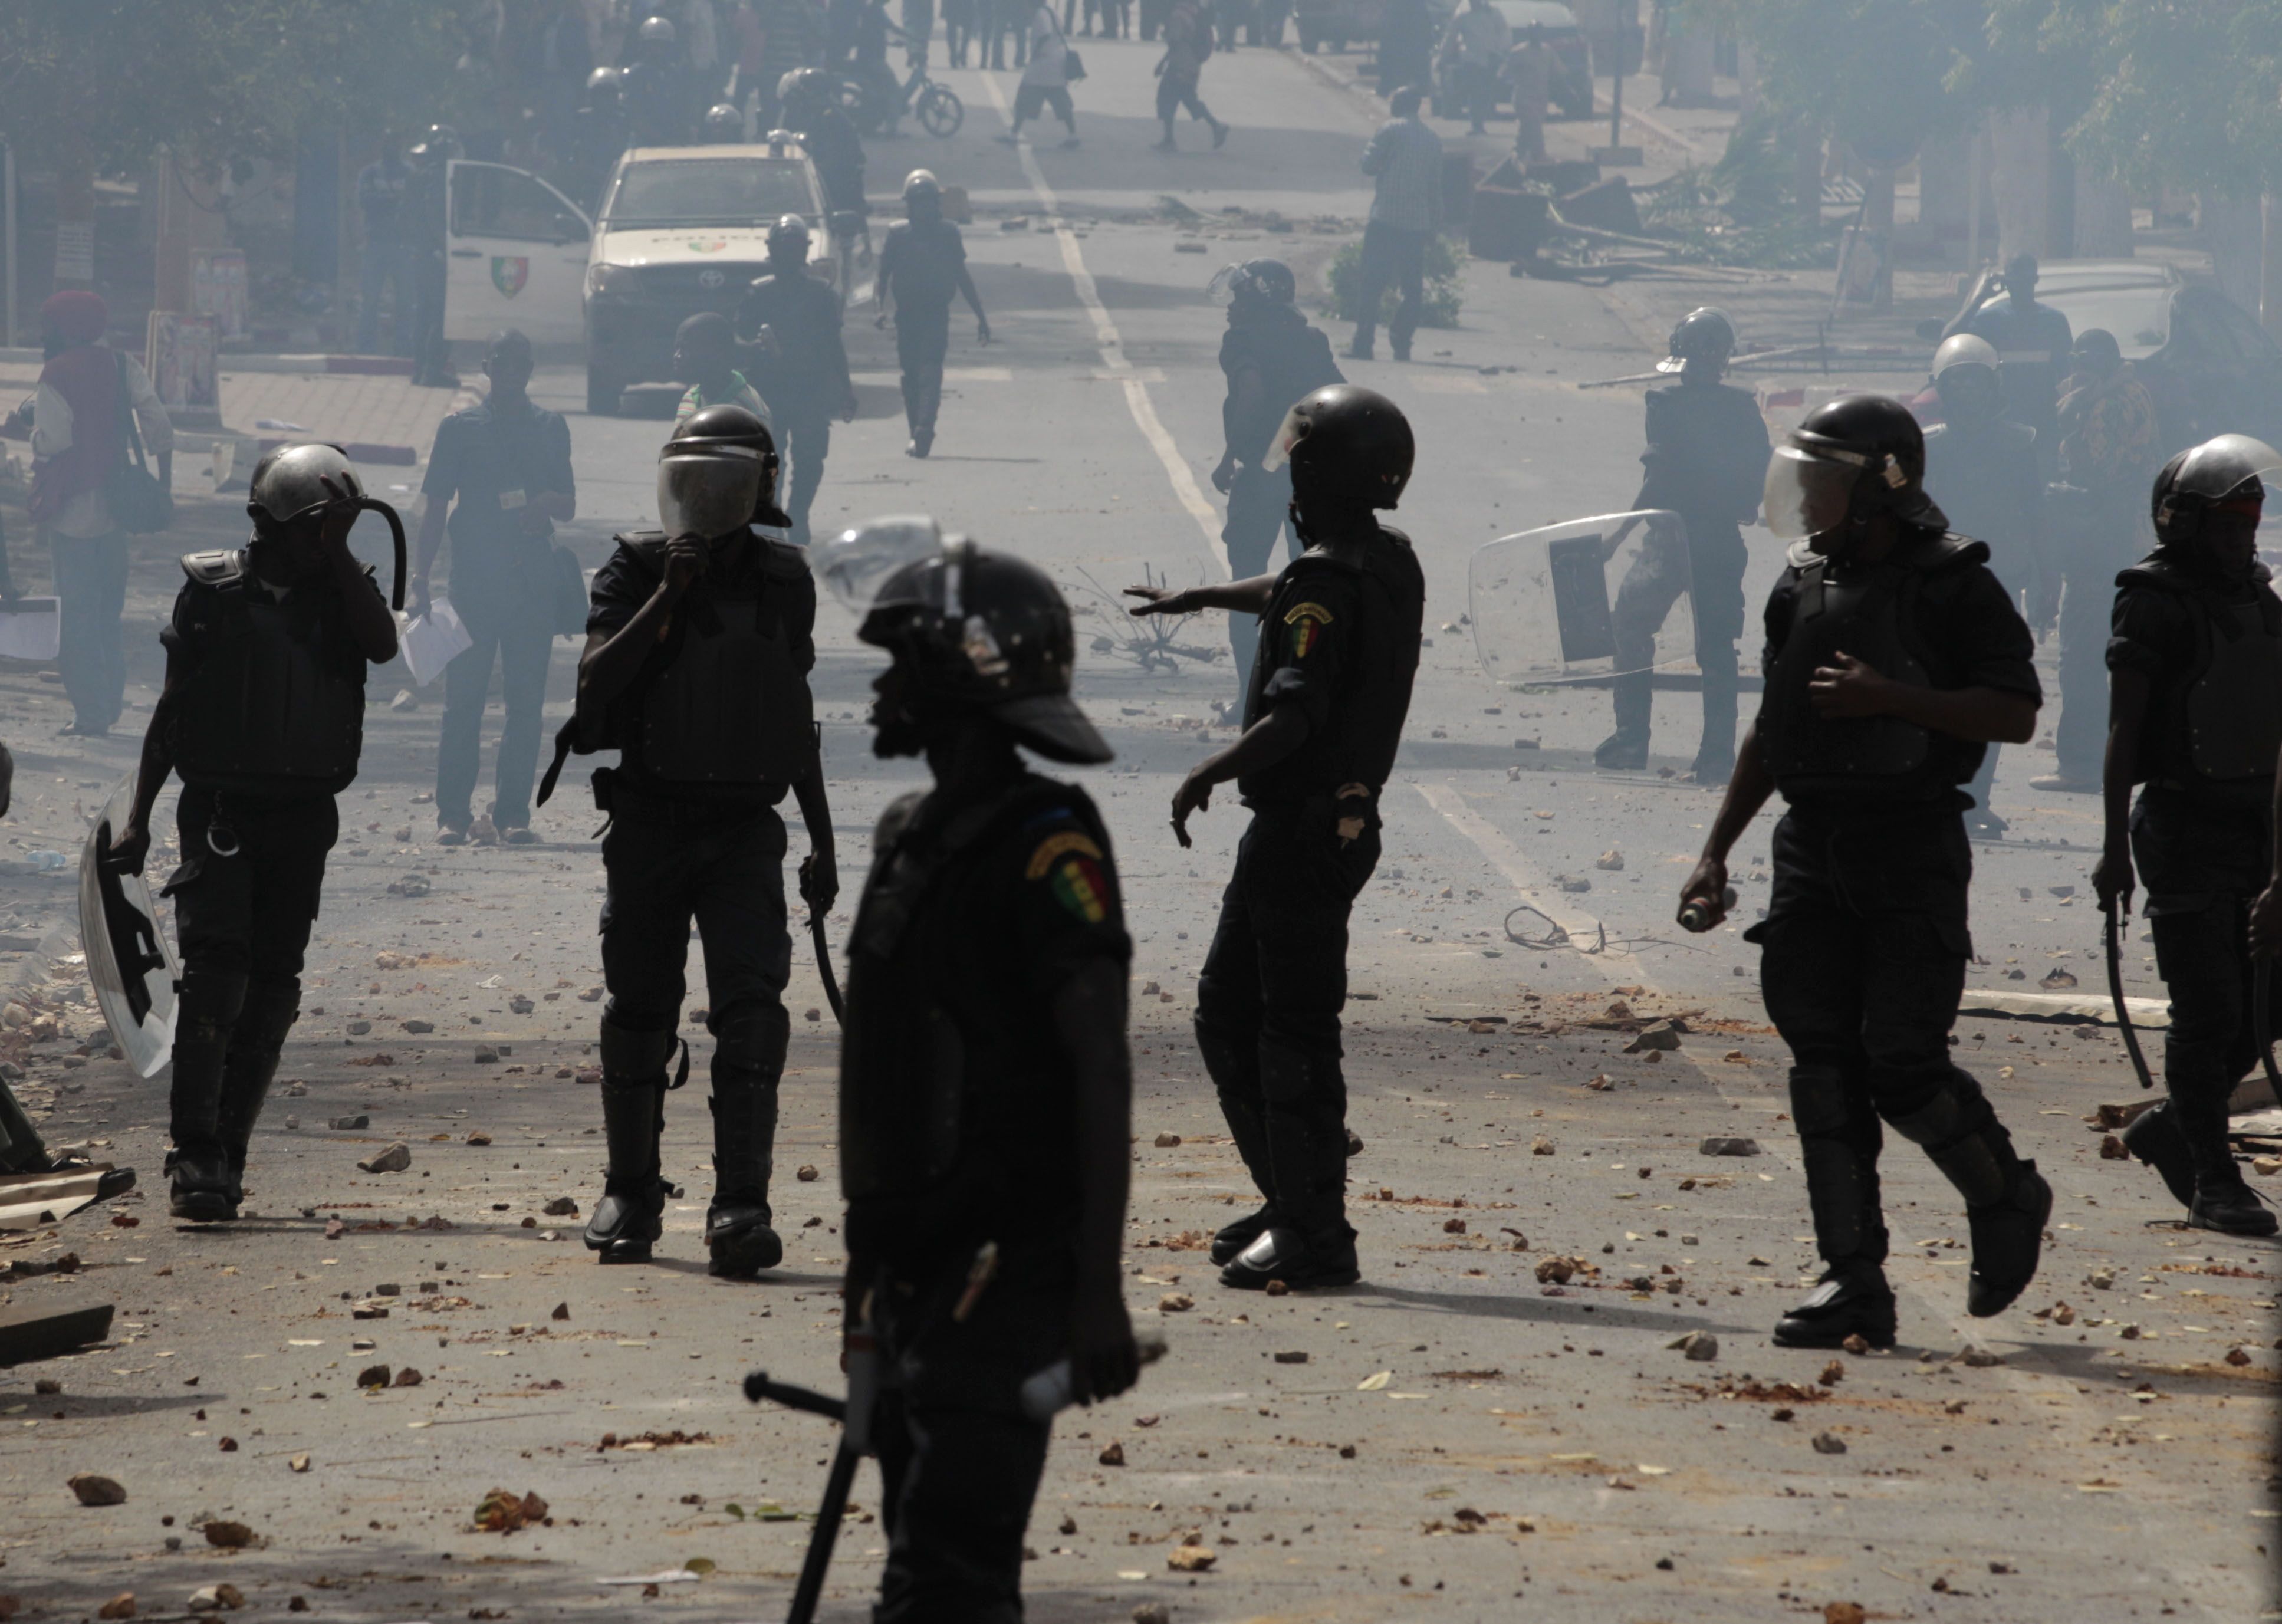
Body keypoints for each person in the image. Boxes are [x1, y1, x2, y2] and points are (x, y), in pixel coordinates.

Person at [1678, 394, 2053, 1349]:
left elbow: (2013, 710)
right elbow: (1774, 728)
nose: (1804, 498)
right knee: (1823, 1065)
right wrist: (1716, 850)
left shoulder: (1956, 584)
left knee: (1902, 1062)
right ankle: (1852, 1278)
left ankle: (2006, 1192)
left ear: (1882, 485)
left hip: (1911, 845)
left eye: (1824, 481)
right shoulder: (1799, 583)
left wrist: (1896, 696)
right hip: (1811, 847)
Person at [827, 522, 1138, 1620]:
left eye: (901, 662)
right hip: (917, 1261)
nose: (878, 688)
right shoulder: (912, 831)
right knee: (923, 1554)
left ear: (962, 679)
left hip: (1006, 1269)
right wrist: (871, 1279)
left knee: (944, 1586)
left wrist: (1095, 1287)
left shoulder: (1049, 838)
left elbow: (1100, 1065)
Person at [1128, 386, 1424, 1291]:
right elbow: (1296, 591)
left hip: (1298, 831)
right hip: (1334, 823)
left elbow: (1293, 714)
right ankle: (1291, 1197)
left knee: (1282, 1027)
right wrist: (1202, 595)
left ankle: (1315, 1225)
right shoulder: (1383, 560)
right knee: (1233, 1010)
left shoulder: (1329, 583)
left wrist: (1204, 771)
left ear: (1309, 471)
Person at [573, 406, 834, 1275]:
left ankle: (740, 1203)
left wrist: (822, 839)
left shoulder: (782, 579)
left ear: (757, 489)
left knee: (752, 1015)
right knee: (639, 1009)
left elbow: (793, 716)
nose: (705, 502)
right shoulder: (635, 564)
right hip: (651, 821)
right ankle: (630, 1190)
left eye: (722, 484)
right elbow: (593, 686)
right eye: (692, 483)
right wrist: (667, 597)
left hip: (743, 831)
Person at [110, 445, 401, 1221]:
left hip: (303, 814)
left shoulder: (343, 592)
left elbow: (382, 645)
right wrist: (138, 817)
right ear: (264, 525)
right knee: (215, 976)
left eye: (335, 529)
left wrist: (340, 559)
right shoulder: (213, 594)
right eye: (312, 530)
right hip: (220, 812)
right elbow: (173, 711)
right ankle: (194, 1151)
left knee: (272, 987)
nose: (322, 543)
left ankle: (229, 1156)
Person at [2108, 436, 2282, 1237]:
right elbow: (2124, 730)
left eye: (2250, 518)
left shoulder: (2259, 598)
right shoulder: (2152, 600)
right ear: (2182, 523)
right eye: (2224, 521)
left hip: (2255, 825)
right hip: (2180, 824)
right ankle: (2213, 1178)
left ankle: (2177, 1125)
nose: (2241, 535)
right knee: (2205, 1007)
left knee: (2264, 1003)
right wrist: (2113, 848)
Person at [410, 331, 578, 847]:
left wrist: (543, 502)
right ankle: (453, 815)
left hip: (532, 587)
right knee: (463, 704)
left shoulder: (551, 427)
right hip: (474, 586)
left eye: (519, 365)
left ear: (529, 370)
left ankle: (512, 815)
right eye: (501, 364)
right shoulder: (460, 429)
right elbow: (435, 504)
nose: (510, 372)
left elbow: (569, 504)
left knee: (525, 706)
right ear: (486, 367)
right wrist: (420, 578)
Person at [1595, 307, 1770, 784]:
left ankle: (1631, 740)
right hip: (1721, 541)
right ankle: (1716, 757)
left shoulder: (1666, 404)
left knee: (1630, 626)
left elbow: (1660, 477)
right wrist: (1745, 504)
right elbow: (1763, 472)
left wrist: (1619, 535)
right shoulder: (1743, 407)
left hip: (1671, 539)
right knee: (1717, 646)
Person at [19, 291, 173, 738]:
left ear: (66, 330)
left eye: (49, 326)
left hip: (71, 511)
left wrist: (28, 432)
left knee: (75, 615)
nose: (44, 335)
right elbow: (158, 423)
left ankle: (90, 714)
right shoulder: (122, 365)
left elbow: (52, 443)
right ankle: (108, 704)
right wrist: (162, 485)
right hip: (115, 509)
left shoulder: (56, 373)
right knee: (108, 612)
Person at [1922, 332, 2048, 836]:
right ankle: (1940, 790)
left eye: (1978, 382)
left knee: (1994, 688)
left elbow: (2038, 514)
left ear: (1993, 386)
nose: (1970, 393)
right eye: (1960, 383)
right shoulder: (1928, 447)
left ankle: (1975, 796)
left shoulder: (2022, 442)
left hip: (2003, 578)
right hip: (1942, 580)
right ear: (1944, 390)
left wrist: (2047, 577)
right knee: (1937, 684)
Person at [1208, 259, 1345, 705]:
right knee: (1310, 588)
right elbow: (1336, 398)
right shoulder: (1311, 339)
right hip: (1312, 477)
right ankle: (1305, 689)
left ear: (1259, 298)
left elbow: (1250, 392)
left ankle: (1250, 698)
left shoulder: (1243, 340)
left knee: (1246, 584)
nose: (1231, 306)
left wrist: (1234, 455)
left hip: (1266, 479)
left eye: (1240, 296)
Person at [2037, 327, 2164, 794]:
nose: (2080, 369)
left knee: (2082, 654)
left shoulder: (2108, 403)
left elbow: (2098, 469)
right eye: (2077, 360)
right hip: (2123, 539)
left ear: (2108, 363)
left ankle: (2081, 762)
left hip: (2100, 542)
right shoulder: (2131, 392)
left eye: (2089, 361)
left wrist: (2071, 419)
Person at [736, 216, 859, 545]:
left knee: (810, 458)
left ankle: (799, 513)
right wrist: (756, 345)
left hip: (810, 389)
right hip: (769, 391)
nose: (788, 255)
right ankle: (774, 513)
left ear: (803, 252)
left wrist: (846, 389)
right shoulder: (758, 293)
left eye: (794, 248)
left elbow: (834, 345)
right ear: (773, 252)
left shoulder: (821, 295)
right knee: (770, 460)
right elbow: (740, 339)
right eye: (783, 248)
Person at [876, 170, 989, 459]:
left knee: (930, 370)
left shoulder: (948, 234)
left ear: (937, 205)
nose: (925, 209)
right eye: (919, 203)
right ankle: (916, 430)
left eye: (929, 203)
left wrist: (981, 316)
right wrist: (880, 309)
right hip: (907, 315)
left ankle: (925, 429)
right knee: (911, 375)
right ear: (909, 206)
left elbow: (961, 275)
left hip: (936, 314)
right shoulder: (898, 235)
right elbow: (882, 276)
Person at [1942, 251, 2073, 476]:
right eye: (2014, 278)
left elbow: (2066, 372)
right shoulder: (1990, 319)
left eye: (2025, 279)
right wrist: (1981, 297)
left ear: (2035, 280)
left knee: (2042, 477)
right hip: (2001, 415)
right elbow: (1949, 338)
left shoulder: (2054, 320)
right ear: (2005, 281)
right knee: (2004, 476)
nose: (2020, 285)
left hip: (2043, 416)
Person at [1350, 86, 1442, 363]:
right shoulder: (1432, 139)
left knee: (1372, 282)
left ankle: (1363, 344)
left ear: (1399, 104)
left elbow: (1367, 165)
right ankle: (1402, 339)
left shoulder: (1389, 130)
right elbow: (1435, 186)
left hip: (1386, 218)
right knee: (1412, 287)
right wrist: (1435, 225)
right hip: (1416, 223)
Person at [402, 125, 460, 388]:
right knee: (440, 315)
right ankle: (432, 371)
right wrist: (445, 248)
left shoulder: (418, 177)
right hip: (435, 256)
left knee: (424, 314)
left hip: (418, 254)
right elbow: (437, 218)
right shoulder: (440, 179)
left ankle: (420, 370)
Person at [353, 135, 415, 356]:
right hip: (376, 243)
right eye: (387, 142)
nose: (391, 147)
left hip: (403, 244)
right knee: (370, 299)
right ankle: (366, 347)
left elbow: (414, 204)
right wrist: (395, 201)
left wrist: (385, 200)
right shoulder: (369, 173)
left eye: (395, 142)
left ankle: (403, 347)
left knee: (406, 299)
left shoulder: (410, 173)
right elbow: (365, 201)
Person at [779, 68, 868, 219]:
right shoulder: (819, 114)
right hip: (834, 179)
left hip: (838, 187)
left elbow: (832, 160)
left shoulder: (830, 118)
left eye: (807, 92)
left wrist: (809, 174)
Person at [672, 311, 771, 430]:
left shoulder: (747, 410)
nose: (677, 356)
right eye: (677, 348)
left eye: (686, 348)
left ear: (717, 353)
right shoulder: (689, 399)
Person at [1153, 0, 1228, 150]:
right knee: (1186, 99)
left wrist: (1162, 64)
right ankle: (1215, 126)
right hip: (1191, 65)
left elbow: (1175, 41)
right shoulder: (1192, 12)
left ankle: (1215, 126)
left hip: (1180, 65)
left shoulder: (1177, 15)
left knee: (1167, 98)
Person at [1005, 0, 1080, 146]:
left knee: (1024, 96)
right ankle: (1073, 134)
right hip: (1055, 63)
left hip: (1044, 63)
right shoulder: (1051, 11)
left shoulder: (1041, 14)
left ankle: (1014, 133)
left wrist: (1035, 53)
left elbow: (1045, 34)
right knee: (1060, 99)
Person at [1436, 0, 1510, 136]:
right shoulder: (1463, 17)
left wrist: (1500, 51)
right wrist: (1442, 58)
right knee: (1475, 92)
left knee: (1485, 92)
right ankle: (1477, 124)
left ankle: (1481, 120)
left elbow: (1505, 33)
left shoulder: (1494, 15)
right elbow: (1451, 38)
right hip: (1472, 61)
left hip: (1490, 59)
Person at [623, 14, 698, 146]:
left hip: (673, 138)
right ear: (644, 46)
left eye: (663, 45)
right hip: (644, 141)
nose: (659, 50)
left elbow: (683, 105)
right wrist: (657, 137)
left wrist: (685, 131)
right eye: (654, 45)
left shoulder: (674, 72)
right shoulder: (637, 73)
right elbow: (634, 113)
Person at [570, 67, 632, 209]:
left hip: (621, 181)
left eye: (609, 95)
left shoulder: (624, 121)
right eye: (601, 95)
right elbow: (579, 160)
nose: (605, 100)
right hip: (592, 186)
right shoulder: (583, 122)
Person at [1501, 22, 1551, 161]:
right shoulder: (1518, 52)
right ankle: (1540, 157)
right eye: (1533, 32)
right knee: (1534, 127)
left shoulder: (1548, 51)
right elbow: (1504, 72)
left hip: (1541, 97)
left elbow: (1559, 71)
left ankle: (1516, 156)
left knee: (1527, 130)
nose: (1536, 35)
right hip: (1524, 97)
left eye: (1539, 32)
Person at [1375, 0, 1433, 97]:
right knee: (1388, 54)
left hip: (1409, 31)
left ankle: (1386, 86)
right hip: (1408, 31)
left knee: (1388, 53)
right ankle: (1387, 85)